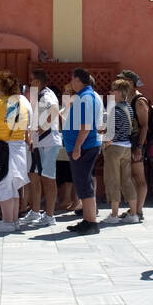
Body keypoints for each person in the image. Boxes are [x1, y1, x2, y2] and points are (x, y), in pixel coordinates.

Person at [0, 69, 32, 233]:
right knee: (13, 186)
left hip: (0, 147)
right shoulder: (20, 101)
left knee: (3, 184)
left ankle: (7, 222)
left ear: (2, 86)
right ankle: (14, 220)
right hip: (18, 146)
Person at [62, 68, 103, 235]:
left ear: (79, 80)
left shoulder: (85, 98)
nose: (71, 82)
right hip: (87, 146)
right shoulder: (89, 96)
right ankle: (87, 219)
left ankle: (91, 222)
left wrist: (77, 146)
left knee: (84, 184)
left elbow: (85, 126)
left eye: (73, 79)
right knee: (83, 183)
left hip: (84, 147)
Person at [23, 69, 62, 228]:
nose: (30, 83)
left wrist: (44, 126)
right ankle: (35, 211)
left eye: (31, 80)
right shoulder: (38, 96)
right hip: (38, 144)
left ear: (37, 82)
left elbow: (54, 110)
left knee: (48, 179)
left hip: (49, 143)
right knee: (34, 176)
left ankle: (50, 216)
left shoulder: (47, 95)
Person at [102, 78, 138, 224]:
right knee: (127, 180)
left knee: (113, 181)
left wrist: (106, 143)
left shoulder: (115, 109)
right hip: (126, 147)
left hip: (115, 148)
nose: (110, 92)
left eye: (112, 90)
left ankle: (114, 215)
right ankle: (134, 213)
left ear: (118, 92)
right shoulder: (128, 107)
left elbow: (112, 131)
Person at [119, 69, 151, 222]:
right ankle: (135, 209)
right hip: (130, 143)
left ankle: (138, 211)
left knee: (139, 178)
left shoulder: (139, 101)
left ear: (130, 83)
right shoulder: (129, 98)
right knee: (132, 177)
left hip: (137, 143)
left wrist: (139, 146)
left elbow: (144, 126)